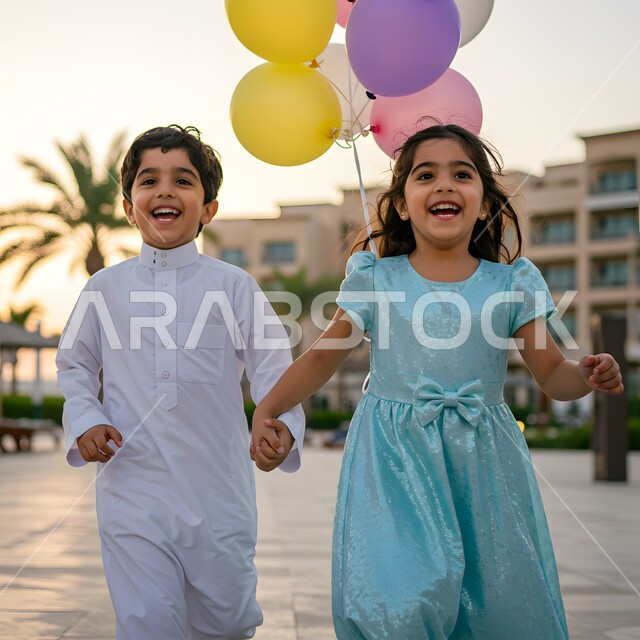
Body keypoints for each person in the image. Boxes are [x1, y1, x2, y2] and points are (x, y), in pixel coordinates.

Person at [251, 124, 624, 639]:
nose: (445, 184)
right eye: (426, 175)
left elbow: (552, 375)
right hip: (394, 456)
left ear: (484, 201)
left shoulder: (511, 282)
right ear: (403, 204)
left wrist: (583, 377)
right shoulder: (377, 278)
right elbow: (321, 359)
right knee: (400, 596)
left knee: (494, 597)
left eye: (462, 174)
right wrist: (267, 407)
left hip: (485, 458)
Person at [56, 125, 304, 640]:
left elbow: (273, 368)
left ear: (208, 209)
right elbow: (74, 365)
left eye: (183, 181)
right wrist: (87, 418)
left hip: (219, 489)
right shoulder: (104, 287)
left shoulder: (234, 286)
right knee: (147, 622)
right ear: (129, 207)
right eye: (149, 181)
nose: (165, 191)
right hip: (132, 484)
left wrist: (280, 426)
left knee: (228, 622)